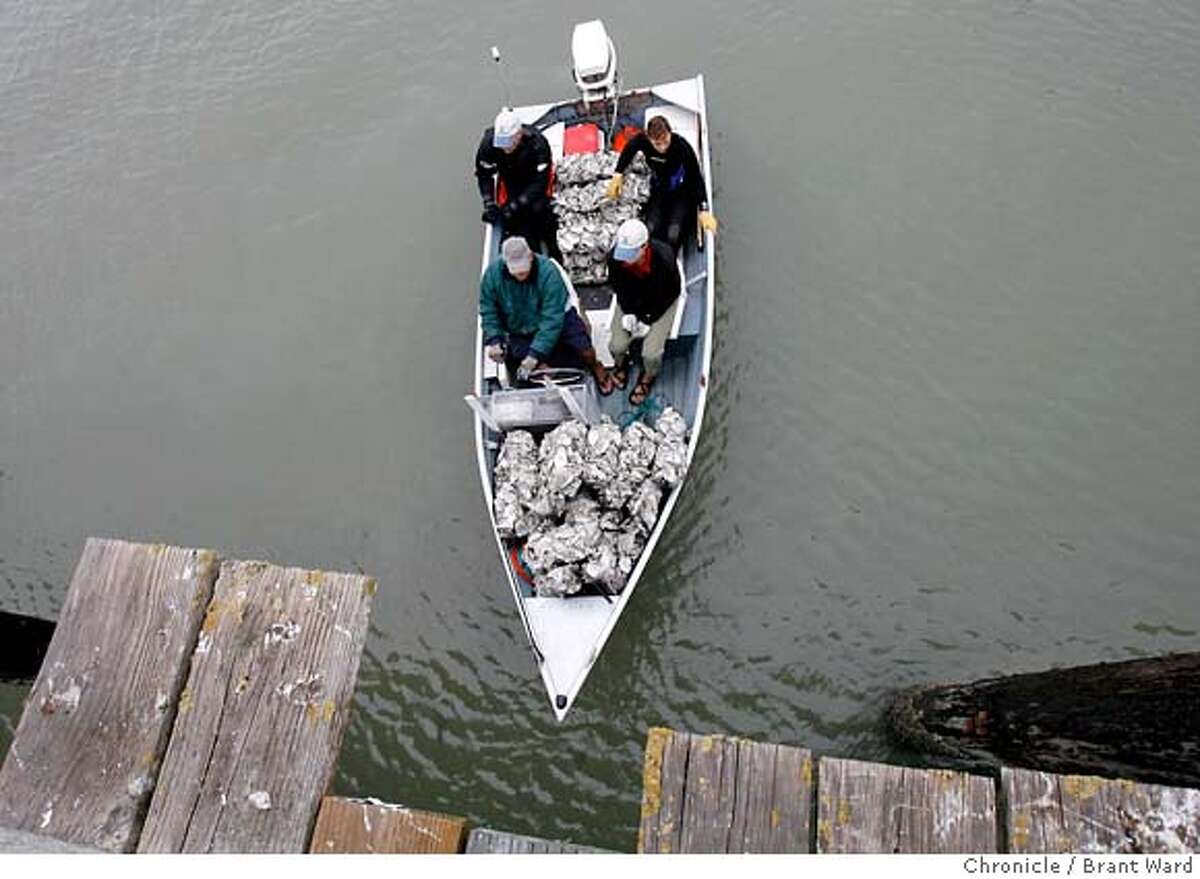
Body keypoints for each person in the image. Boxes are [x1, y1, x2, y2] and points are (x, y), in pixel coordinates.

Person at [480, 237, 614, 393]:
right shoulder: (492, 276)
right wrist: (495, 339)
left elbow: (552, 320)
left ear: (530, 257)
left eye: (524, 270)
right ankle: (552, 382)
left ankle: (595, 365)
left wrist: (534, 354)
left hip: (558, 319)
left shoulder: (549, 273)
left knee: (584, 349)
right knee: (532, 364)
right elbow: (488, 309)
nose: (520, 275)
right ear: (505, 263)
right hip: (520, 328)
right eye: (515, 271)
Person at [605, 115, 718, 252]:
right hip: (659, 190)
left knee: (673, 235)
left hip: (681, 193)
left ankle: (671, 259)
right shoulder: (642, 141)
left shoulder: (682, 146)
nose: (663, 147)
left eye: (665, 141)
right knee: (650, 230)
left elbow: (696, 177)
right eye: (657, 144)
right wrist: (618, 174)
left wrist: (703, 209)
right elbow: (629, 150)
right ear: (649, 139)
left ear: (670, 133)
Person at [605, 218, 681, 405]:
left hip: (660, 304)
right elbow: (618, 287)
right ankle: (620, 365)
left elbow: (672, 293)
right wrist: (629, 312)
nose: (626, 260)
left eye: (630, 254)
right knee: (616, 346)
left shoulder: (665, 259)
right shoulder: (615, 259)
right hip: (631, 302)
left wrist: (648, 319)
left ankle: (648, 376)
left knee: (651, 354)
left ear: (644, 247)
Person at [475, 108, 563, 262]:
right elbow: (484, 174)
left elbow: (540, 181)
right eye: (501, 142)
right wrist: (489, 202)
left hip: (535, 184)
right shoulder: (488, 145)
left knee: (542, 215)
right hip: (510, 183)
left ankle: (553, 249)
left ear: (519, 134)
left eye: (509, 142)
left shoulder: (538, 144)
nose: (505, 147)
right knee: (516, 226)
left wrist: (517, 204)